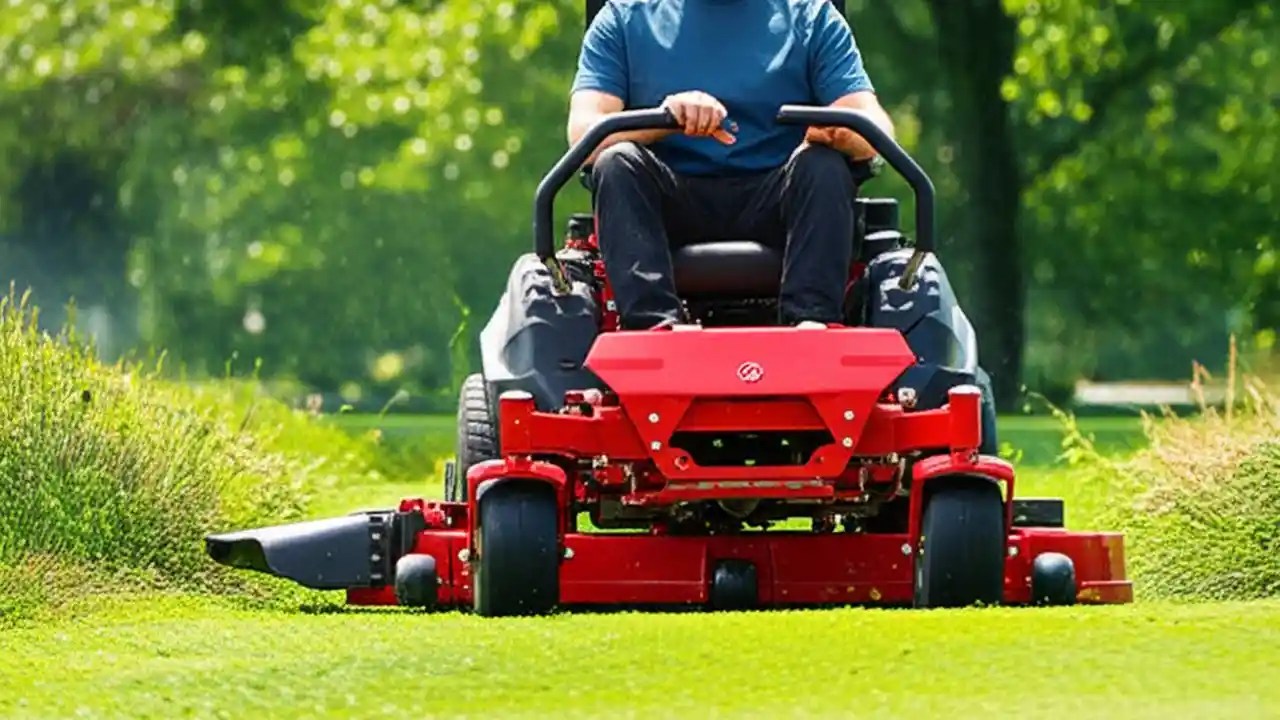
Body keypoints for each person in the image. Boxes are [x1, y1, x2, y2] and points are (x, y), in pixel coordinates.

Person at [568, 0, 895, 329]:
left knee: (823, 165)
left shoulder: (812, 17)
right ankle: (654, 328)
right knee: (616, 162)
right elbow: (583, 135)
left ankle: (812, 322)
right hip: (666, 206)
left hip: (781, 203)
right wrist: (666, 119)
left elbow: (875, 129)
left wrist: (841, 133)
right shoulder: (623, 18)